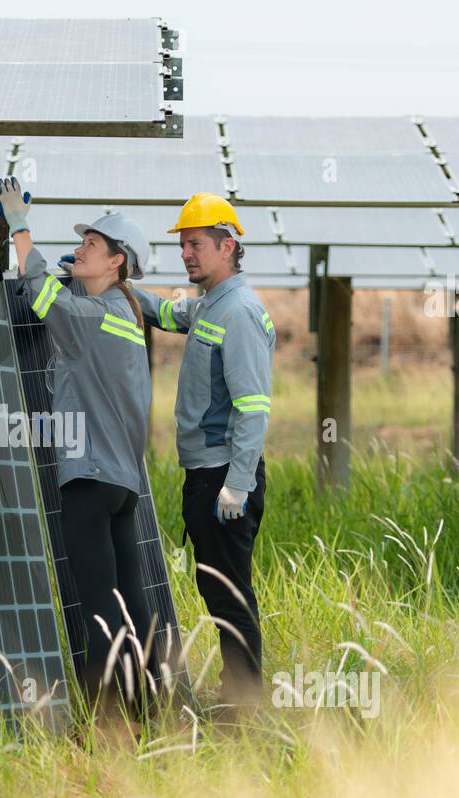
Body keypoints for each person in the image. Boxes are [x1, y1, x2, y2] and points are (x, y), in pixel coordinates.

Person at [0, 177, 155, 719]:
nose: (80, 249)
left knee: (98, 606)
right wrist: (76, 280)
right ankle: (147, 712)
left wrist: (20, 228)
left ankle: (105, 720)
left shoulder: (90, 317)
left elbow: (42, 298)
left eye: (91, 246)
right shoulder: (126, 315)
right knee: (132, 603)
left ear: (116, 263)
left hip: (88, 478)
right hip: (123, 483)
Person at [127, 193, 276, 718]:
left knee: (231, 595)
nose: (186, 254)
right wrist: (121, 288)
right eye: (183, 244)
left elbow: (254, 408)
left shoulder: (239, 311)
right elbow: (171, 312)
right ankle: (239, 697)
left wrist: (238, 484)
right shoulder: (212, 303)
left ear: (227, 245)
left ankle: (246, 707)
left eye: (195, 244)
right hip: (204, 475)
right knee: (217, 590)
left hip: (223, 480)